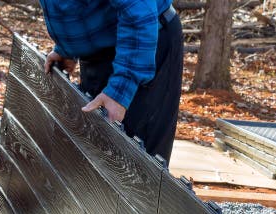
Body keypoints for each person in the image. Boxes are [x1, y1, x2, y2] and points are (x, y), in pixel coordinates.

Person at [38, 0, 183, 164]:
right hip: (102, 52)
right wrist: (67, 49)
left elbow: (138, 10)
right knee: (95, 159)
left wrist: (121, 90)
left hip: (142, 49)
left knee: (133, 167)